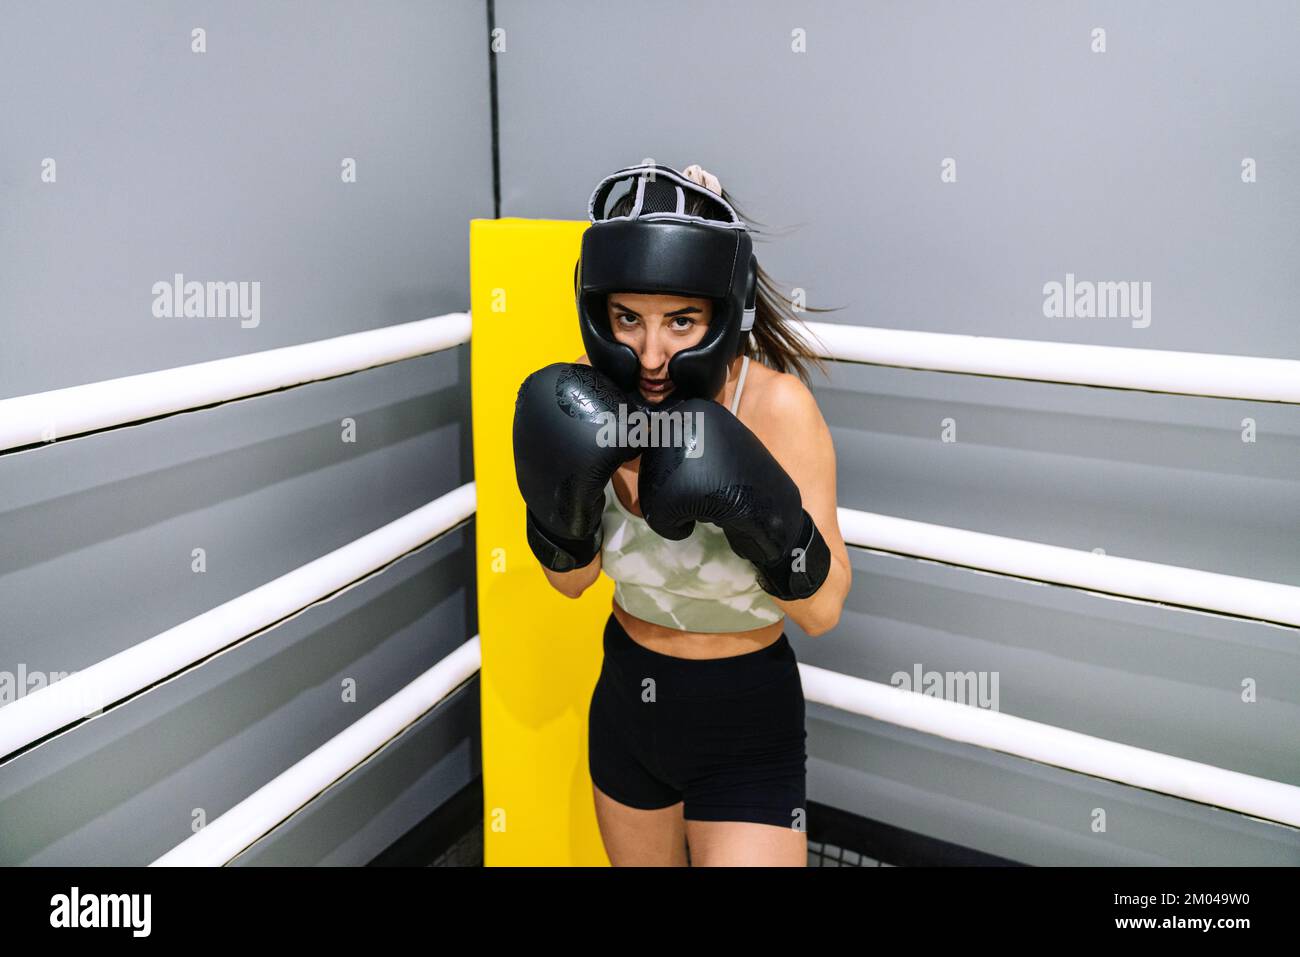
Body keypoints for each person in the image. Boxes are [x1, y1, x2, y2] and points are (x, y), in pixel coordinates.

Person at [512, 163, 851, 866]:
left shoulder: (775, 408)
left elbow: (823, 612)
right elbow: (571, 586)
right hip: (630, 705)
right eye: (628, 318)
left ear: (722, 314)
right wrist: (560, 505)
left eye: (682, 320)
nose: (653, 353)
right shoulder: (586, 401)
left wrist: (760, 509)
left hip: (748, 718)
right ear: (599, 310)